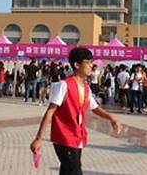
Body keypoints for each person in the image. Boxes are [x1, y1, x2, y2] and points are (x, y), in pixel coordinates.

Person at [29, 47, 122, 175]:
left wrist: (111, 118)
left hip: (77, 136)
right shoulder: (64, 85)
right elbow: (50, 111)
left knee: (67, 171)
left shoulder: (86, 87)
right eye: (88, 62)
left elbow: (94, 108)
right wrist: (38, 138)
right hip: (64, 137)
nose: (91, 65)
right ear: (77, 65)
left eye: (91, 62)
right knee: (75, 170)